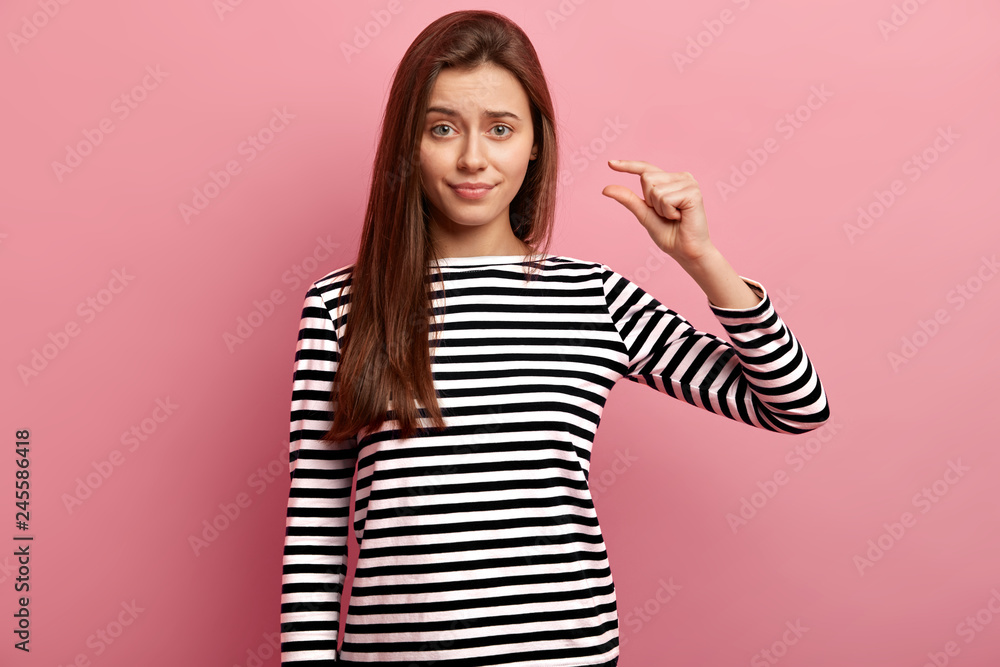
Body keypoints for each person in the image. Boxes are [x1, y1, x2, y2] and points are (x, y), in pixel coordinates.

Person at [279, 9, 830, 666]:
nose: (472, 157)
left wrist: (702, 260)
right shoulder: (341, 304)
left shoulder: (592, 297)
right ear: (409, 142)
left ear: (535, 141)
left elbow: (794, 404)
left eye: (501, 129)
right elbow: (315, 525)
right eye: (442, 128)